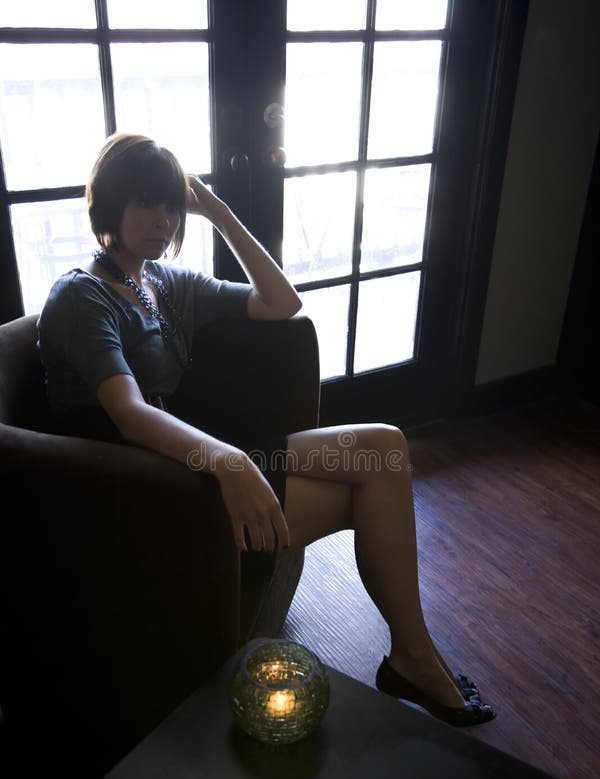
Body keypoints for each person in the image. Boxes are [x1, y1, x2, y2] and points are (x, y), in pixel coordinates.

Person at [37, 133, 495, 728]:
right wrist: (230, 462)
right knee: (368, 489)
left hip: (192, 458)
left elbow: (281, 302)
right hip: (141, 489)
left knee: (384, 447)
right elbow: (128, 413)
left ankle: (412, 652)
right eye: (145, 203)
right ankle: (415, 659)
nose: (162, 219)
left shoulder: (163, 285)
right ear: (110, 207)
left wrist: (219, 212)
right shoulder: (83, 295)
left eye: (170, 205)